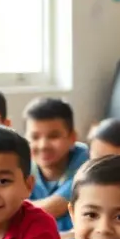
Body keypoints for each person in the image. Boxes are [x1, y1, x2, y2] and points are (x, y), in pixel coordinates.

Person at [24, 97, 89, 232]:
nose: (43, 146)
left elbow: (54, 207)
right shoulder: (22, 166)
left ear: (72, 137)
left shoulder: (87, 163)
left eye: (53, 136)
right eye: (35, 137)